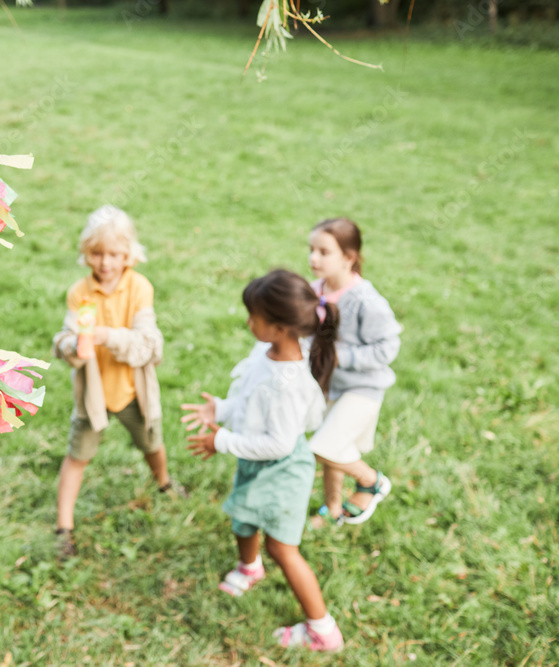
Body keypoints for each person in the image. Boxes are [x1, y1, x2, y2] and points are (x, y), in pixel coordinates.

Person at [181, 269, 343, 652]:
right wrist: (221, 409)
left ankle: (322, 631)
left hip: (282, 470)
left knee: (282, 548)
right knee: (243, 517)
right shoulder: (267, 354)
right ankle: (249, 567)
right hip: (257, 459)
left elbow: (279, 444)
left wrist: (222, 440)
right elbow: (250, 401)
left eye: (254, 316)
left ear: (281, 328)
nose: (248, 322)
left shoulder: (288, 384)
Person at [51, 205, 177, 559]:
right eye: (97, 253)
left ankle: (165, 483)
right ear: (85, 252)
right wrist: (72, 347)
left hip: (133, 391)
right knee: (77, 455)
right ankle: (64, 527)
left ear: (128, 254)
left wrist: (108, 336)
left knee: (152, 442)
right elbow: (64, 340)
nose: (105, 262)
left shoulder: (139, 288)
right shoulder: (80, 292)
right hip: (94, 396)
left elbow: (149, 345)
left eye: (114, 254)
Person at [307, 218, 402, 526]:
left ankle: (371, 481)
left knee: (322, 447)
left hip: (362, 388)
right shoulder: (314, 291)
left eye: (324, 252)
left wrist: (338, 357)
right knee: (334, 449)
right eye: (311, 249)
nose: (313, 258)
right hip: (328, 385)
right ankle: (332, 510)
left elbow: (387, 348)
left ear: (349, 257)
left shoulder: (366, 301)